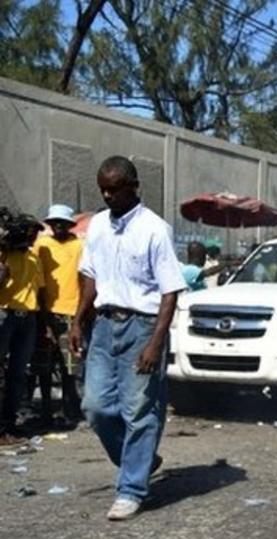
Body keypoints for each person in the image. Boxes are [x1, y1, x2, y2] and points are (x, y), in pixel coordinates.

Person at [68, 156, 186, 520]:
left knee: (139, 411)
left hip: (142, 327)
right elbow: (90, 276)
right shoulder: (98, 226)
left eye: (114, 189)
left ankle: (131, 489)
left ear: (133, 186)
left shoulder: (155, 229)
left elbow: (170, 292)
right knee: (96, 406)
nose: (107, 196)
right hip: (103, 325)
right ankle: (142, 461)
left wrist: (154, 343)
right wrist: (77, 319)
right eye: (102, 188)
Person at [33, 204, 84, 425]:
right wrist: (42, 317)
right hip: (45, 312)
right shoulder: (42, 245)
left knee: (69, 367)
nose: (58, 227)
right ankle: (46, 409)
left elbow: (85, 279)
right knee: (44, 365)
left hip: (71, 313)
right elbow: (38, 280)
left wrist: (80, 319)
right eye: (55, 223)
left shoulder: (80, 245)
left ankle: (68, 408)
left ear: (70, 224)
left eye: (62, 223)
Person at [0, 213, 47, 441]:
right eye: (31, 233)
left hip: (27, 318)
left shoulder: (33, 259)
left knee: (18, 373)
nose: (33, 237)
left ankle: (9, 424)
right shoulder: (4, 255)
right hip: (4, 315)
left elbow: (39, 290)